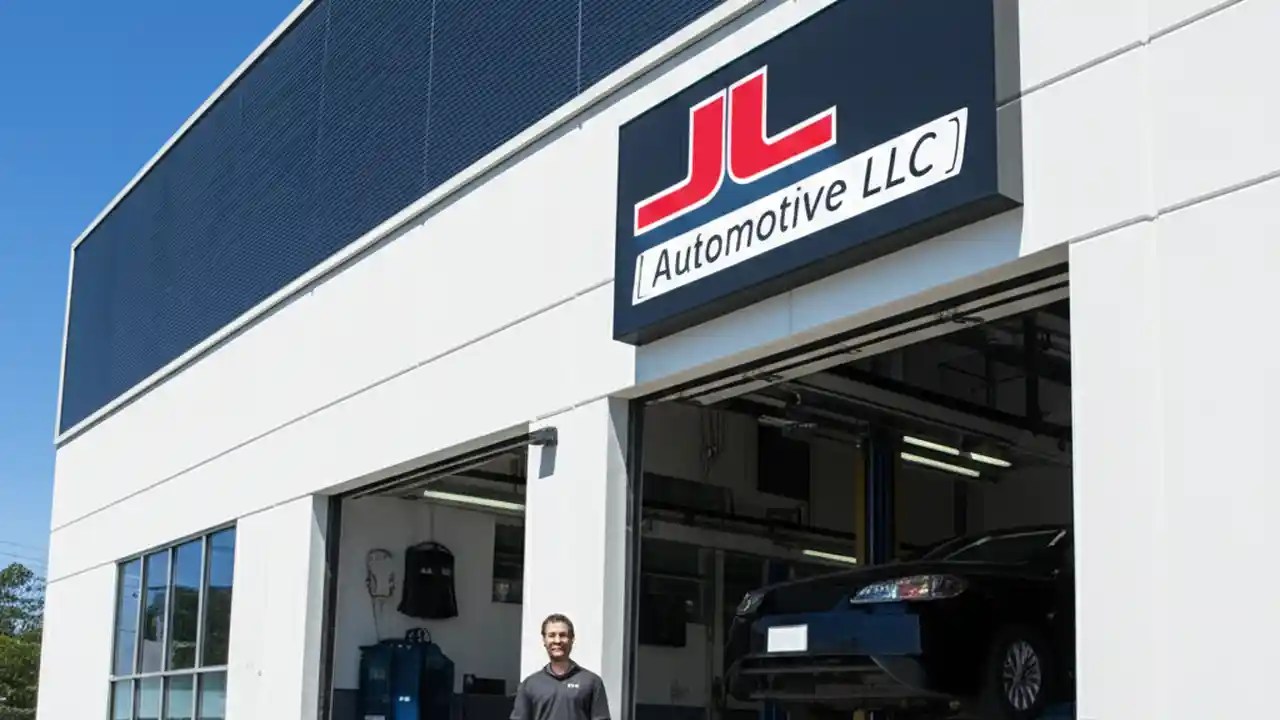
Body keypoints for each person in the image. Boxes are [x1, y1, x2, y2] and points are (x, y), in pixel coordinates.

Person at [510, 614, 611, 720]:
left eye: (563, 635)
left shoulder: (591, 682)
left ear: (572, 639)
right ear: (544, 640)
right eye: (552, 635)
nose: (557, 641)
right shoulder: (529, 685)